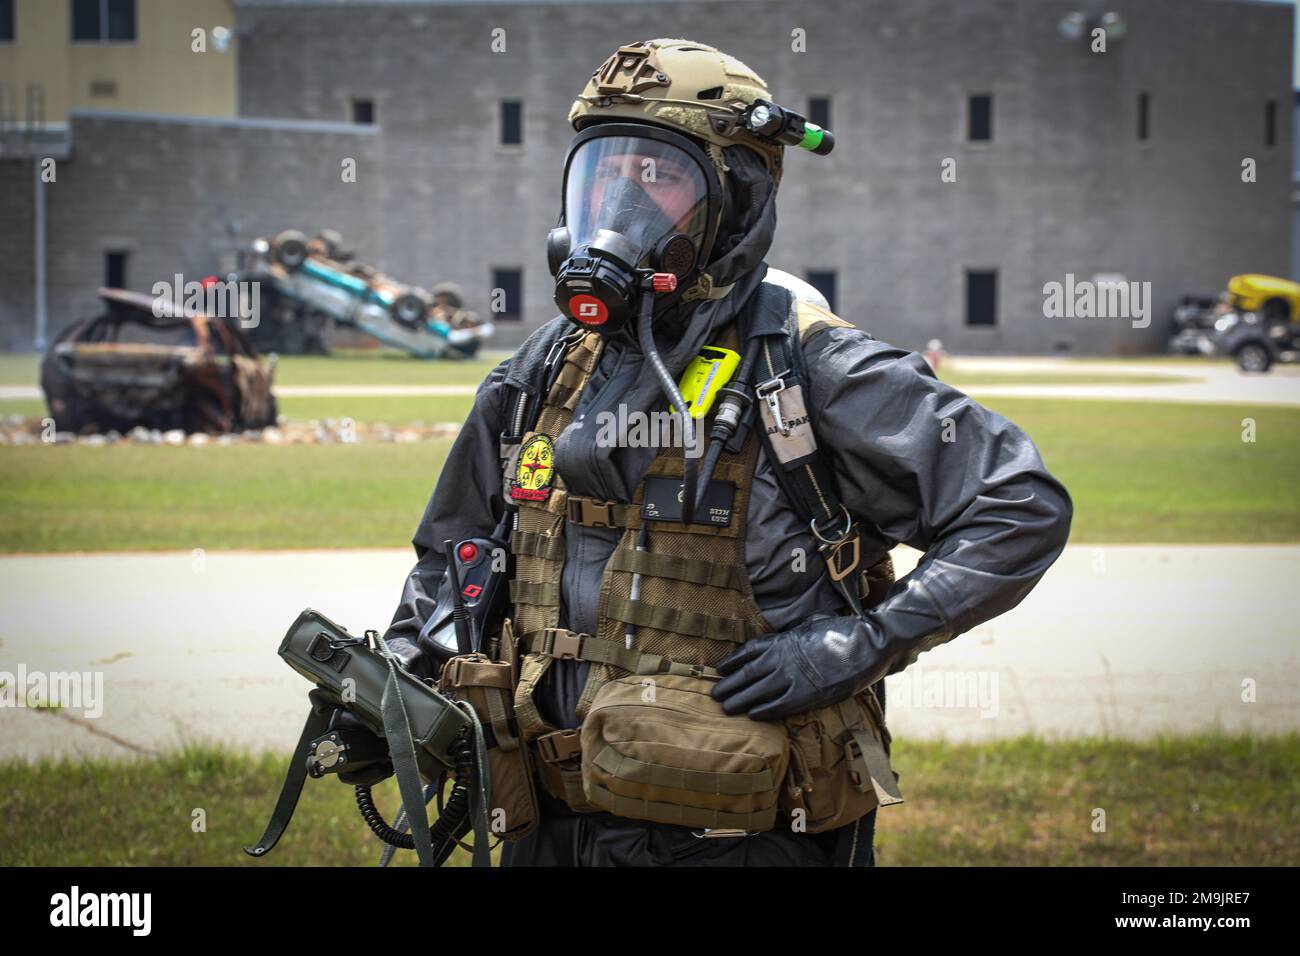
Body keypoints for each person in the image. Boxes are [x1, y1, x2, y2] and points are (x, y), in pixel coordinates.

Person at [381, 38, 1072, 867]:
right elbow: (450, 556)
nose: (621, 208)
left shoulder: (813, 368)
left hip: (746, 837)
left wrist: (857, 647)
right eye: (605, 175)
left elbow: (1018, 506)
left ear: (735, 199)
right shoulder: (541, 371)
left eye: (658, 178)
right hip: (546, 828)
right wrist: (404, 677)